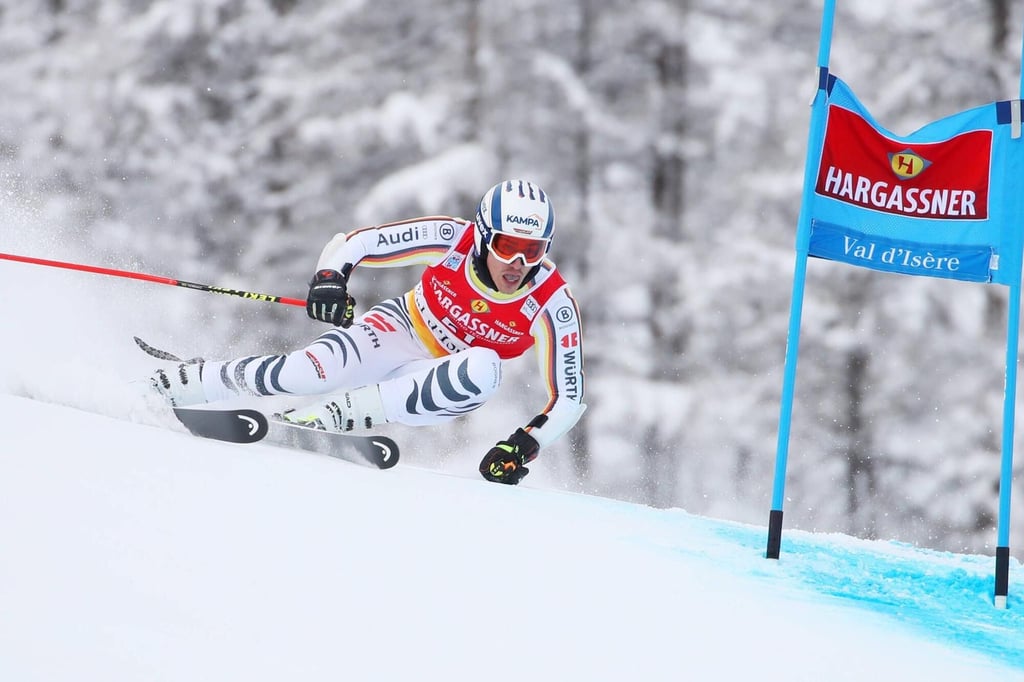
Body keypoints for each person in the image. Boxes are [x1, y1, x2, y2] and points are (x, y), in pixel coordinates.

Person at [150, 179, 587, 484]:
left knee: (483, 368)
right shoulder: (452, 238)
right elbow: (361, 243)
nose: (519, 263)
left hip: (434, 386)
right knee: (309, 373)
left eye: (534, 250)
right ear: (483, 236)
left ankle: (327, 418)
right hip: (400, 328)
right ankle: (187, 382)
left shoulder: (551, 302)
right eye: (507, 246)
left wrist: (523, 446)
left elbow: (569, 397)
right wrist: (330, 278)